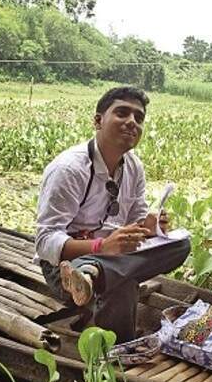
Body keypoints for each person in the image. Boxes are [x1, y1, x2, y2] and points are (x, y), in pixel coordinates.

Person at [34, 86, 191, 342]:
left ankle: (96, 273)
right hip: (64, 267)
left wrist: (150, 227)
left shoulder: (134, 167)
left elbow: (136, 222)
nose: (132, 122)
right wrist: (101, 246)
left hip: (114, 258)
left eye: (138, 118)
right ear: (98, 120)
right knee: (123, 282)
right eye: (122, 113)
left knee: (181, 245)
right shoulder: (68, 169)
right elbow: (44, 243)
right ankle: (118, 353)